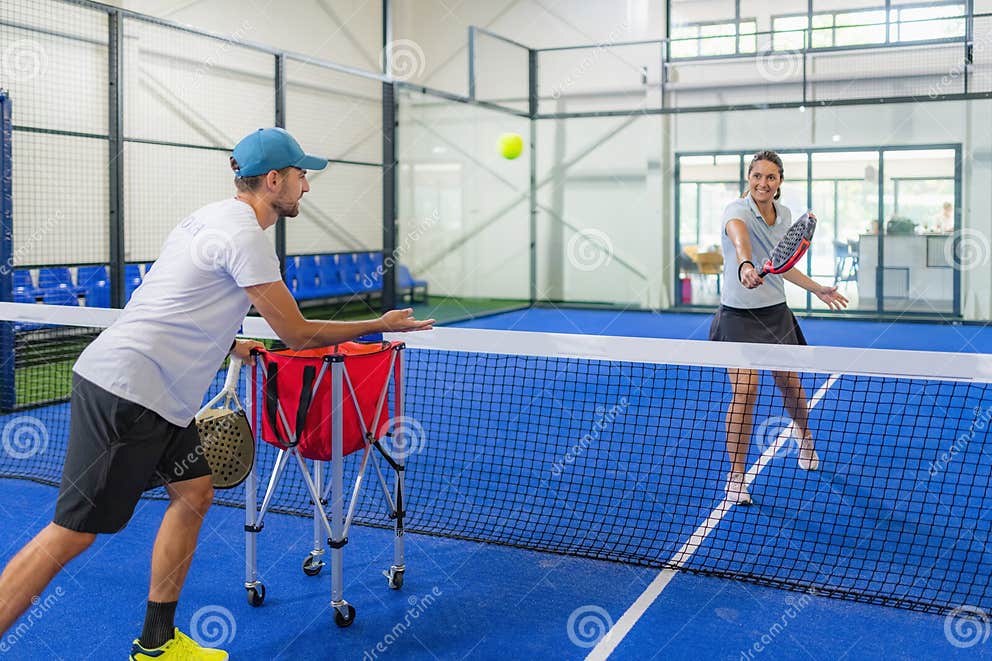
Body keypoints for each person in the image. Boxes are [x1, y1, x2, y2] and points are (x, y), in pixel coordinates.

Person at [0, 127, 434, 660]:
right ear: (273, 180)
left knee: (195, 492)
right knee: (72, 534)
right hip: (128, 392)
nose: (306, 186)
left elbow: (174, 298)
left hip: (158, 395)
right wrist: (380, 323)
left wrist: (230, 341)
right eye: (301, 175)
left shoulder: (205, 218)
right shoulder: (246, 236)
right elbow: (296, 333)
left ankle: (156, 644)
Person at [709, 150, 848, 505]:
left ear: (780, 182)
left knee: (788, 382)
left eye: (771, 178)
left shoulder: (783, 214)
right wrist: (744, 266)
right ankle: (737, 477)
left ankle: (804, 436)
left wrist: (817, 288)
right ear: (748, 178)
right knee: (746, 389)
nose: (763, 183)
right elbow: (740, 240)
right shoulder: (736, 210)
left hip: (775, 313)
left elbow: (782, 262)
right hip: (738, 316)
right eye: (757, 176)